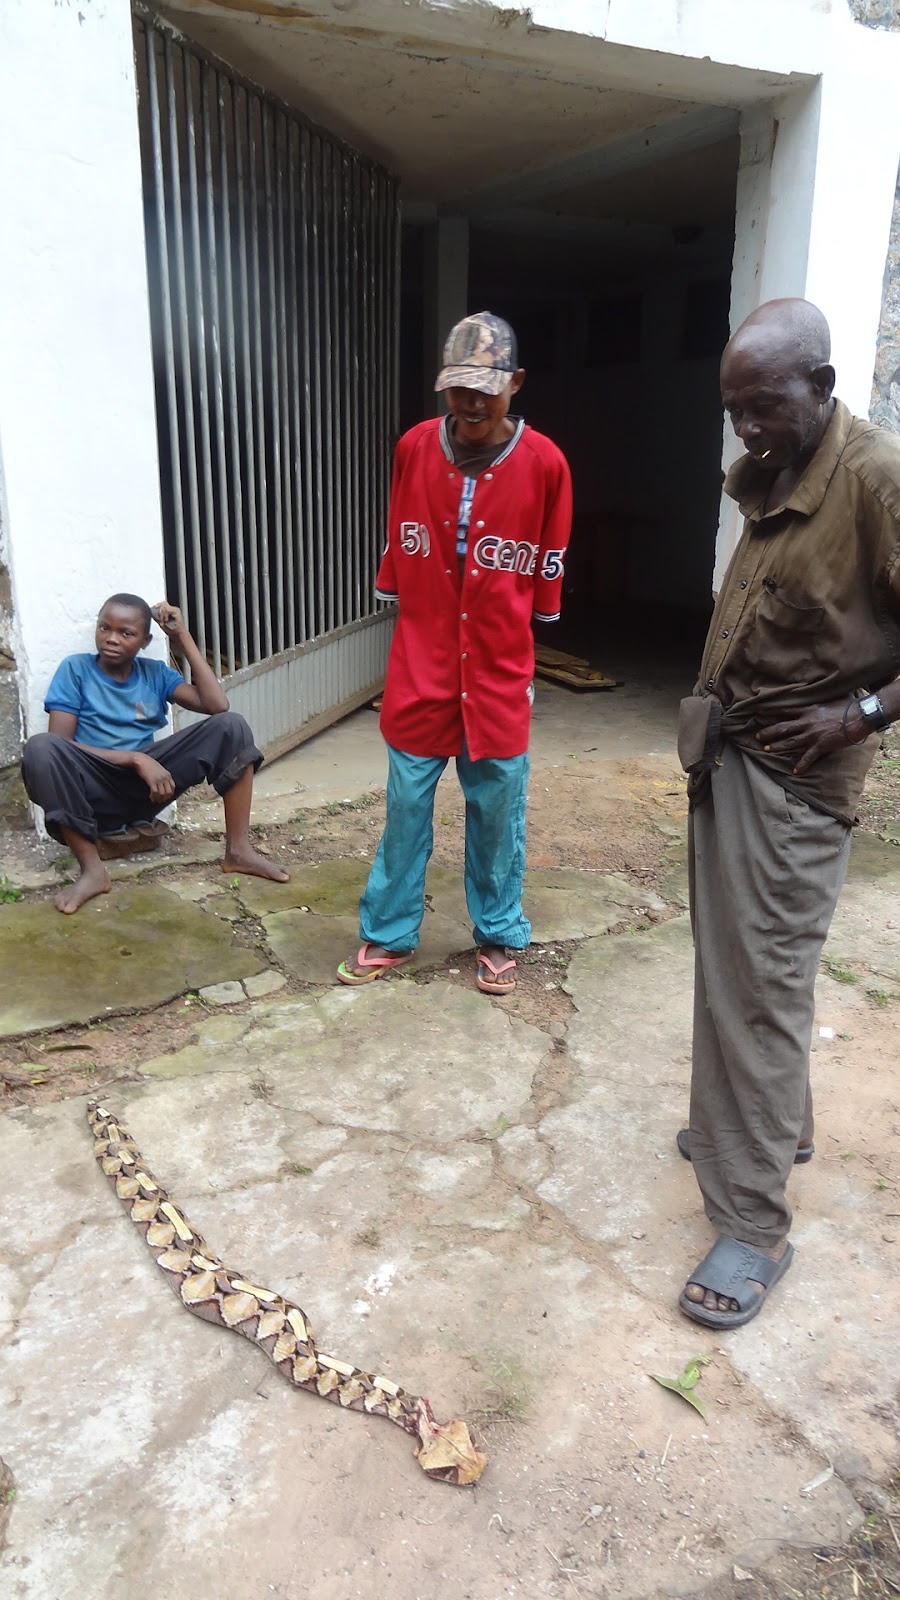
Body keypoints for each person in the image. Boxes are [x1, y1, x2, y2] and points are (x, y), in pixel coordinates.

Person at [675, 297, 900, 1330]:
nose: (746, 429)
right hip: (731, 756)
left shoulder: (875, 479)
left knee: (759, 987)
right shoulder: (779, 461)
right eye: (734, 411)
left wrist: (861, 712)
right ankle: (763, 1125)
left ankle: (754, 1221)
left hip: (798, 780)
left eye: (763, 406)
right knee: (737, 969)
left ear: (822, 386)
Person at [337, 311, 572, 992]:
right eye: (457, 389)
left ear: (516, 382)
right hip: (421, 666)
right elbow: (397, 527)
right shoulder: (414, 446)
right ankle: (388, 932)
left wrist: (538, 614)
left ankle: (499, 933)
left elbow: (550, 555)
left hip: (498, 671)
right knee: (406, 805)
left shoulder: (546, 463)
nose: (470, 403)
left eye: (485, 389)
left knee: (497, 810)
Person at [21, 593, 289, 913]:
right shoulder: (75, 670)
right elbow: (60, 745)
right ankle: (92, 871)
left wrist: (181, 636)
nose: (112, 639)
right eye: (104, 628)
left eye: (126, 633)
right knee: (40, 748)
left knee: (231, 726)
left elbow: (217, 704)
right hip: (94, 788)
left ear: (145, 641)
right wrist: (134, 758)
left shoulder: (156, 674)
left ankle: (239, 851)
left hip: (150, 788)